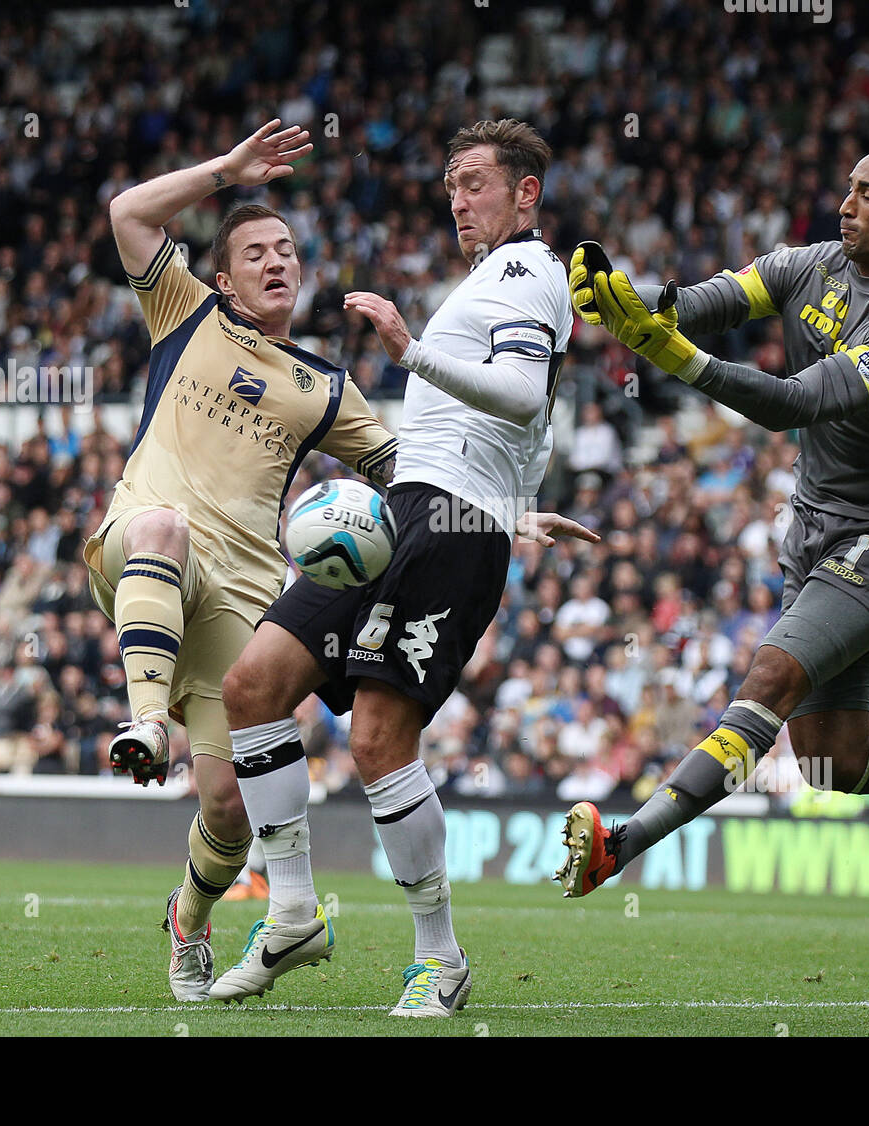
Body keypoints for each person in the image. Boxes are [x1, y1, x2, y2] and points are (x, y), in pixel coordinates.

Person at [555, 147, 869, 899]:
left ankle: (623, 842)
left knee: (772, 674)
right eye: (848, 188)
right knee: (831, 762)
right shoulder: (815, 263)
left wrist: (667, 352)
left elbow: (793, 403)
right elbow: (709, 301)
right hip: (815, 526)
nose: (846, 205)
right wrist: (631, 301)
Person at [210, 119, 594, 1016]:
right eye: (451, 186)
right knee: (253, 686)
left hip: (450, 526)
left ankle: (440, 957)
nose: (458, 201)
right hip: (401, 513)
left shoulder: (530, 270)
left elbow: (524, 395)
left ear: (525, 192)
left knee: (380, 743)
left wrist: (409, 349)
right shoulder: (485, 281)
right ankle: (293, 912)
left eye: (474, 183)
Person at [84, 120, 399, 1001]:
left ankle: (188, 916)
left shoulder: (326, 386)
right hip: (144, 545)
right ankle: (147, 720)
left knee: (226, 807)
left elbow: (409, 476)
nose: (276, 261)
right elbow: (126, 213)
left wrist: (510, 513)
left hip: (245, 594)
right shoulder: (186, 313)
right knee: (163, 530)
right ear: (222, 276)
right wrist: (225, 172)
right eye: (255, 251)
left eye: (288, 251)